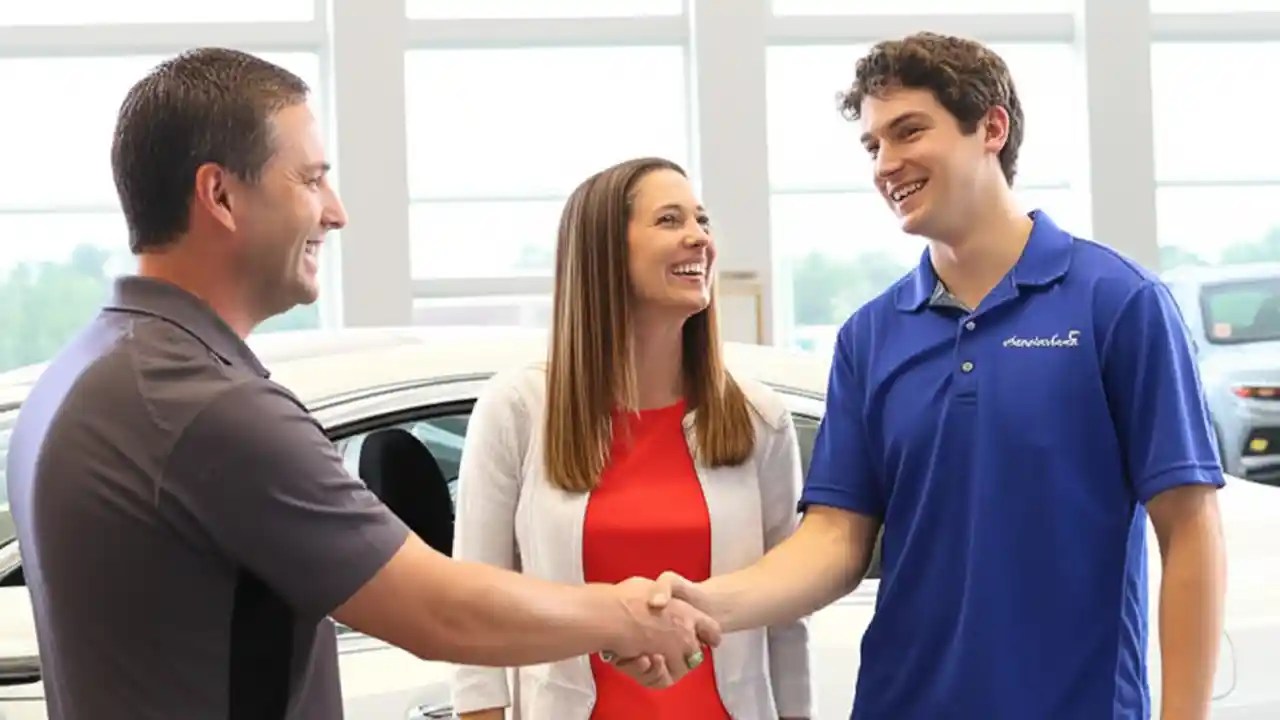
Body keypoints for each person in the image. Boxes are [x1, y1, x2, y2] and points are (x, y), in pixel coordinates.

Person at [4, 48, 717, 720]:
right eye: (310, 179)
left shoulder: (84, 373)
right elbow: (438, 611)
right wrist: (623, 614)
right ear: (220, 195)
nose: (335, 211)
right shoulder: (206, 407)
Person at [634, 32, 1227, 720]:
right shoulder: (870, 336)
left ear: (991, 129)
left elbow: (1189, 527)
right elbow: (836, 540)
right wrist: (707, 603)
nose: (886, 164)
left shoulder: (1117, 303)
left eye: (909, 131)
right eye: (872, 145)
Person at [449, 156, 812, 720]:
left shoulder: (758, 418)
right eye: (669, 220)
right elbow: (476, 612)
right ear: (603, 252)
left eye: (701, 220)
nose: (699, 238)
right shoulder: (517, 410)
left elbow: (786, 616)